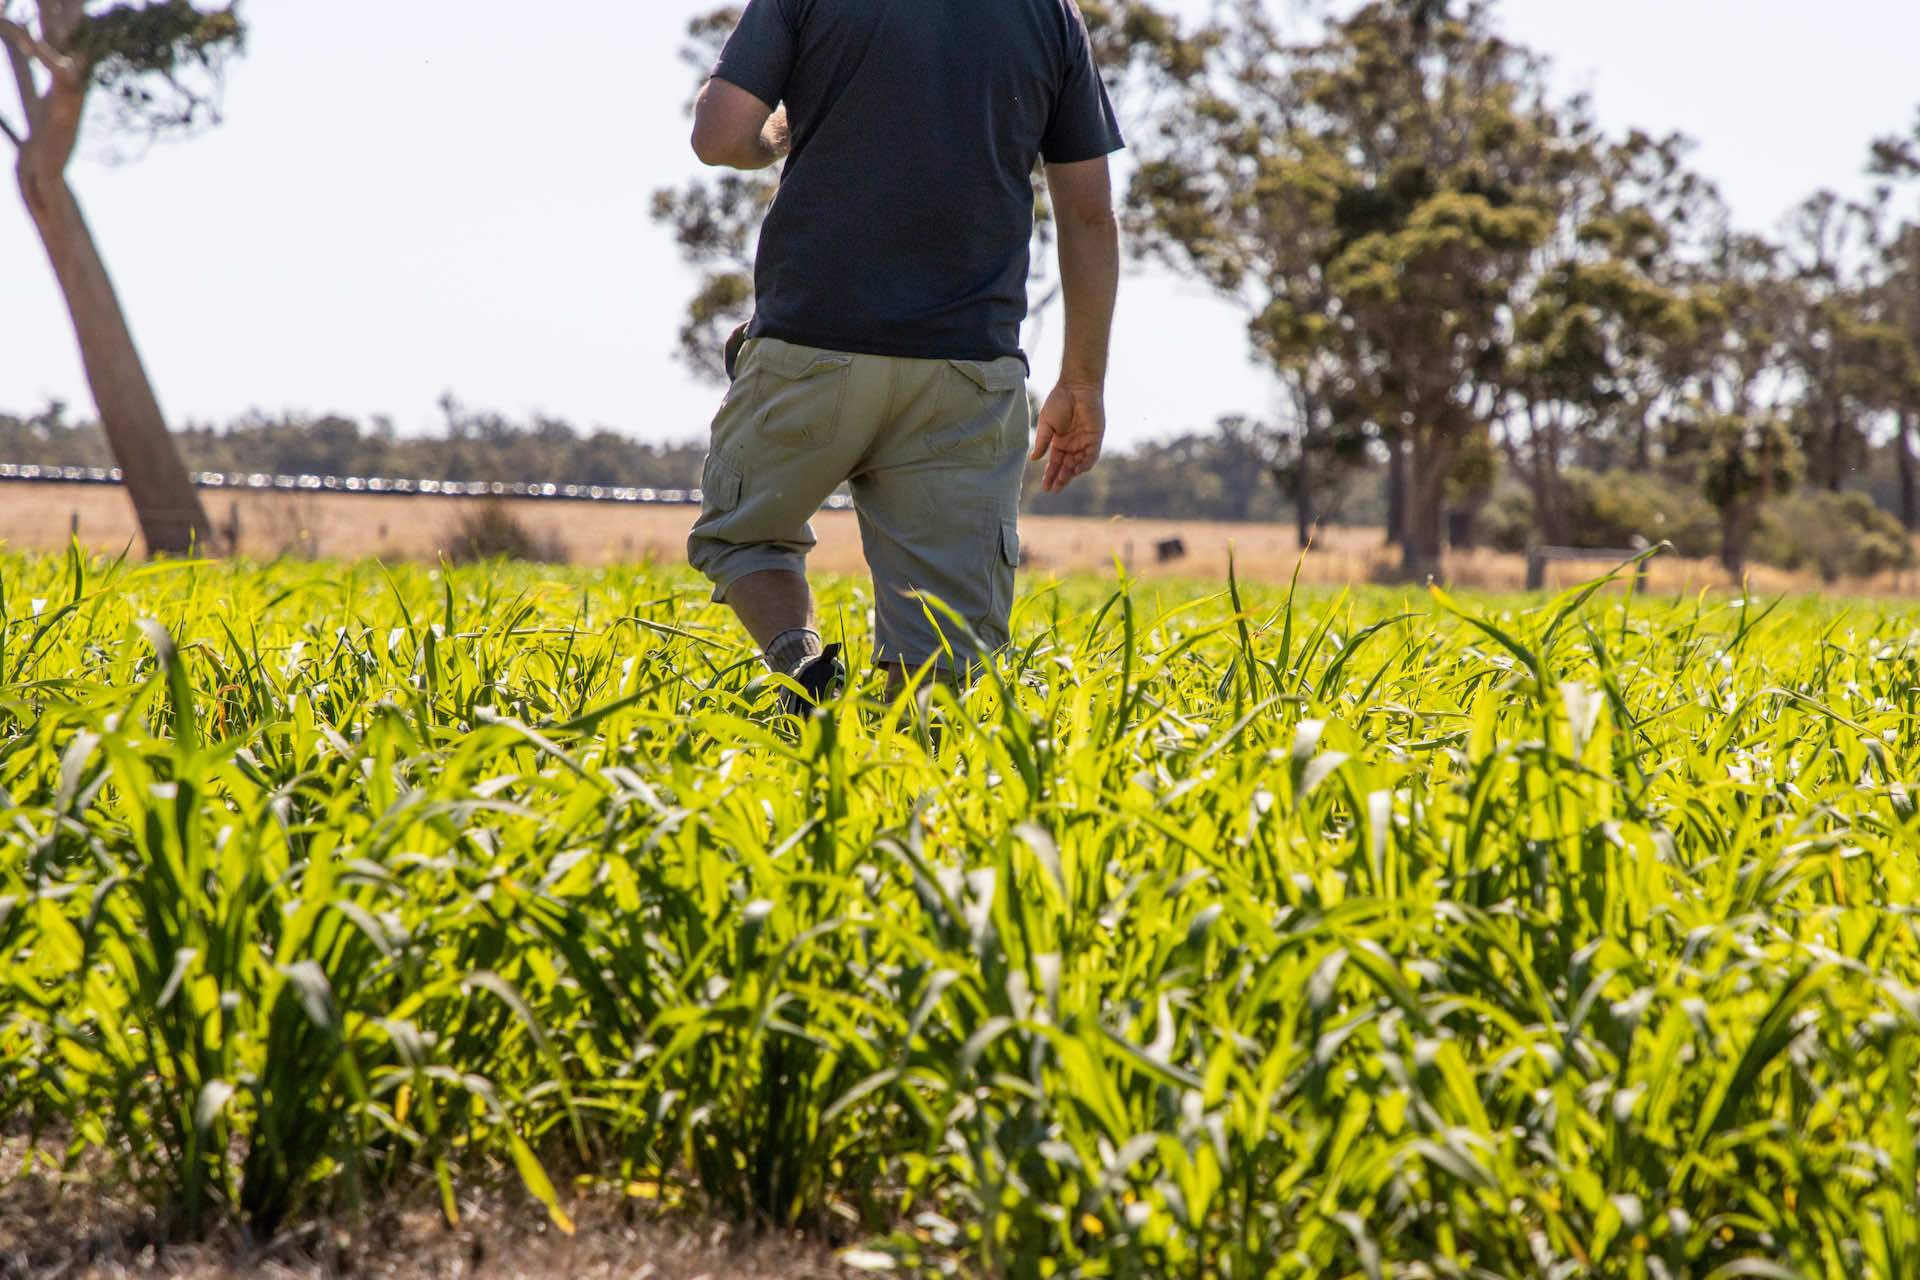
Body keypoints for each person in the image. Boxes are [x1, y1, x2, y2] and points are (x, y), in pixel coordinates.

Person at [685, 0, 1123, 712]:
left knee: (745, 540)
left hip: (811, 342)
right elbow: (1088, 213)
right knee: (938, 655)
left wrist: (784, 130)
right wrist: (1081, 381)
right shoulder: (1050, 13)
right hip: (968, 368)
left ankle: (802, 666)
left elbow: (721, 136)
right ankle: (910, 758)